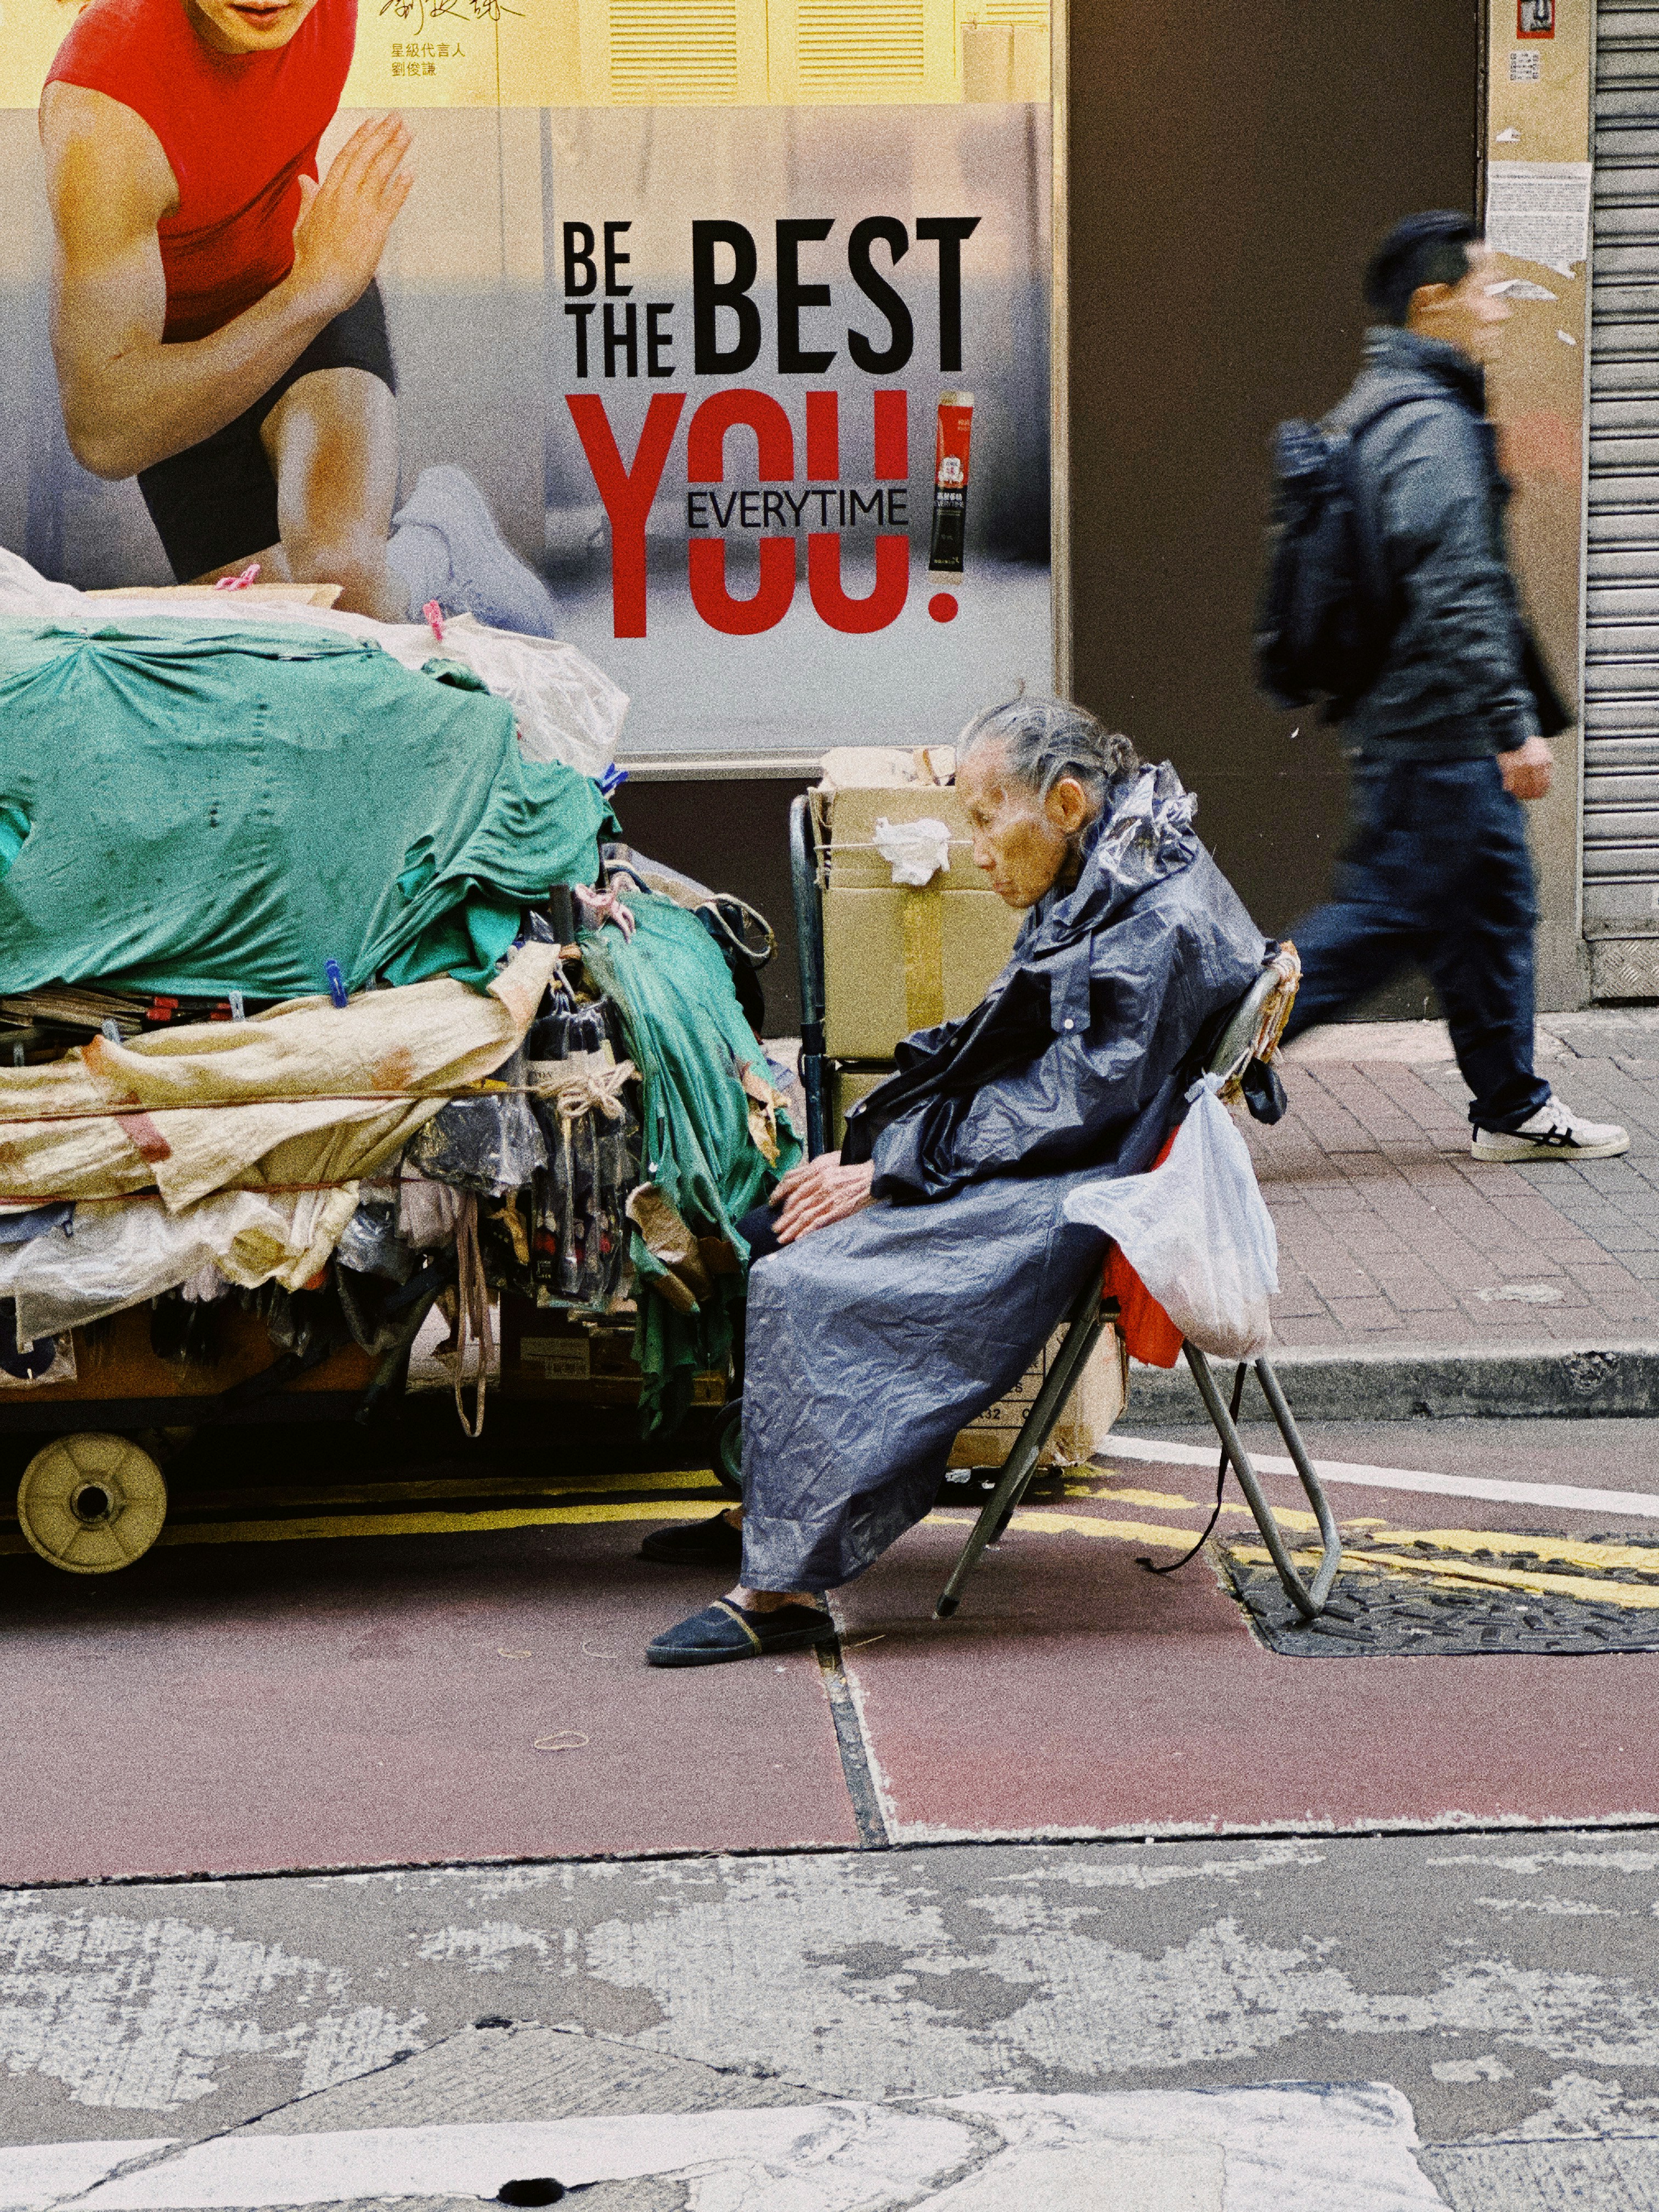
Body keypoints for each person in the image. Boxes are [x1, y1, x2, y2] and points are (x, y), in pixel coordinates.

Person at [639, 697, 1272, 1668]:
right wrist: (878, 1152)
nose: (973, 847)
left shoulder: (1153, 920)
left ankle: (781, 1588)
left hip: (1071, 1189)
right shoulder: (1113, 865)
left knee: (800, 1281)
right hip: (1049, 1157)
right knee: (771, 1226)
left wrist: (891, 1168)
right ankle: (773, 1512)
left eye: (983, 818)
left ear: (1064, 802)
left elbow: (1068, 1109)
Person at [1280, 210, 1627, 1163]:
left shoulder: (1389, 404)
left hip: (1416, 722)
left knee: (1487, 908)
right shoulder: (1426, 426)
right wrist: (1509, 724)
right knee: (1377, 922)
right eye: (1483, 286)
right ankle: (1195, 1063)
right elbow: (1457, 588)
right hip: (1435, 727)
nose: (1500, 306)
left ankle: (1509, 1107)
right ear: (1431, 303)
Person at [38, 0, 560, 632]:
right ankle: (437, 545)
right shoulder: (105, 111)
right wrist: (314, 289)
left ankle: (432, 545)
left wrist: (316, 286)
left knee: (345, 585)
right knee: (289, 643)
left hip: (307, 277)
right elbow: (104, 433)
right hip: (183, 369)